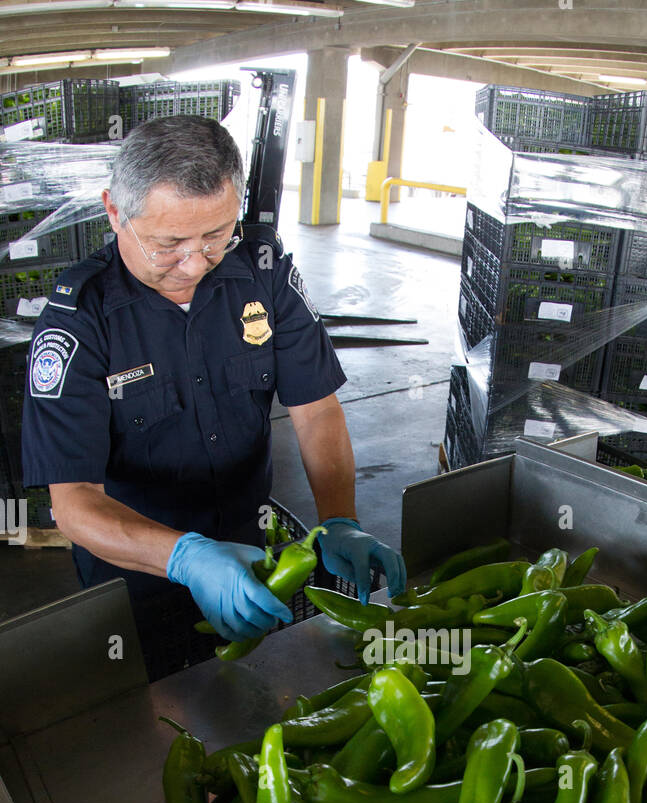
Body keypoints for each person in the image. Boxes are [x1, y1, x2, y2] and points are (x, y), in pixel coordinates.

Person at [21, 115, 406, 667]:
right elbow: (74, 503)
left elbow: (316, 409)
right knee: (160, 709)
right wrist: (186, 557)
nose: (195, 262)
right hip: (135, 572)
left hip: (255, 548)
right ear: (114, 212)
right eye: (169, 243)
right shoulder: (78, 323)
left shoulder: (262, 272)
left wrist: (339, 518)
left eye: (215, 236)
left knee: (251, 693)